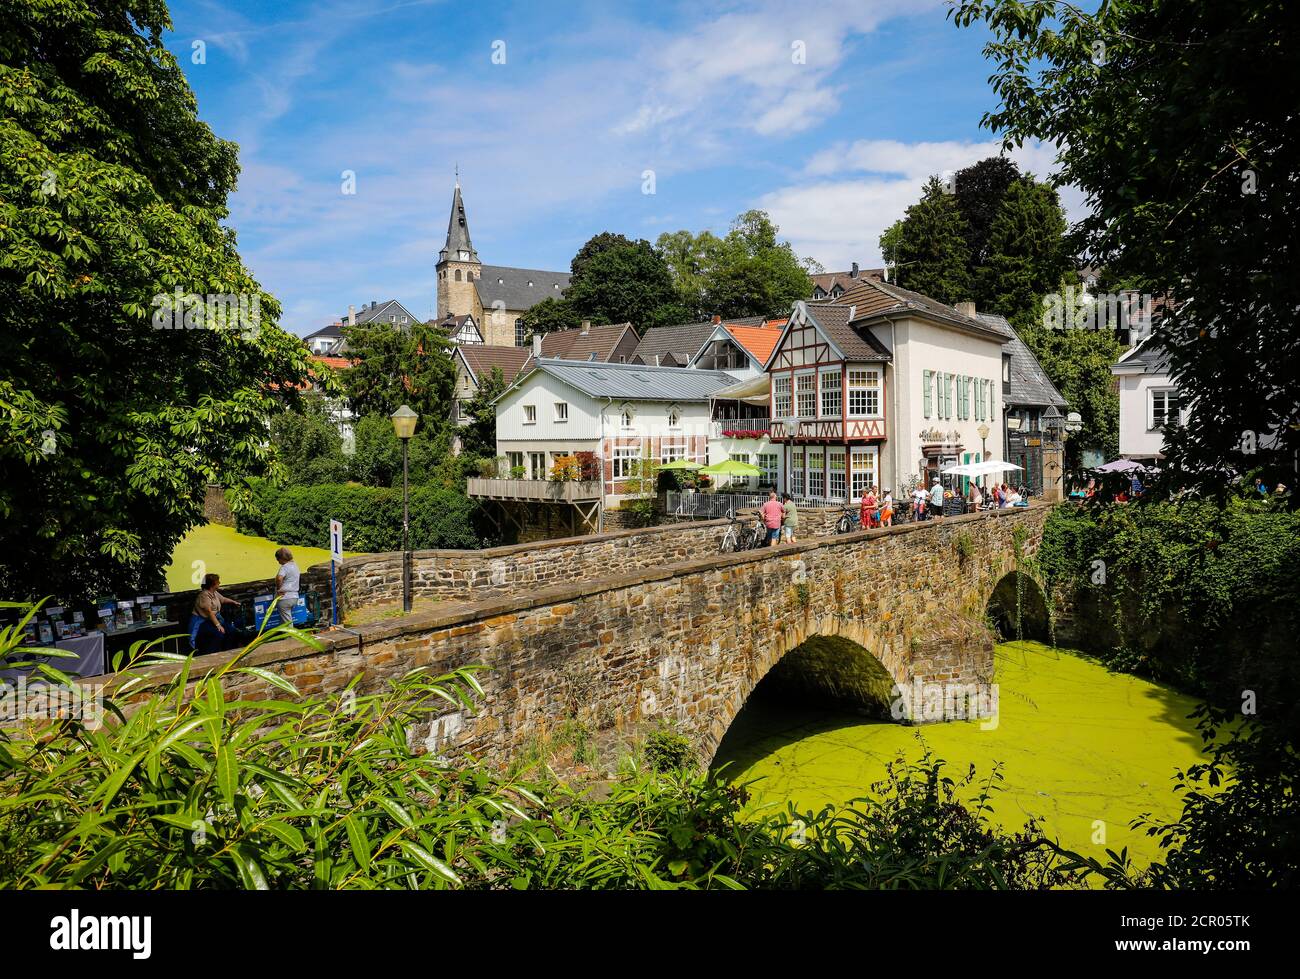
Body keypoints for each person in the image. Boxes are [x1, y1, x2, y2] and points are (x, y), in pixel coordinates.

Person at [192, 573, 242, 655]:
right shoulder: (204, 595)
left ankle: (228, 651)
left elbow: (223, 599)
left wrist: (234, 602)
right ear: (212, 584)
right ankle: (212, 654)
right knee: (218, 634)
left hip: (216, 619)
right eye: (218, 582)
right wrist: (218, 625)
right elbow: (209, 612)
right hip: (205, 621)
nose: (219, 583)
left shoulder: (214, 593)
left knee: (232, 631)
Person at [274, 547, 301, 626]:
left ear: (282, 558)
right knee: (284, 620)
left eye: (278, 559)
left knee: (287, 622)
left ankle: (290, 637)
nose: (278, 562)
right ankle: (285, 637)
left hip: (285, 597)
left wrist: (279, 589)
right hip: (294, 597)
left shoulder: (284, 567)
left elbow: (279, 578)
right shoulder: (295, 566)